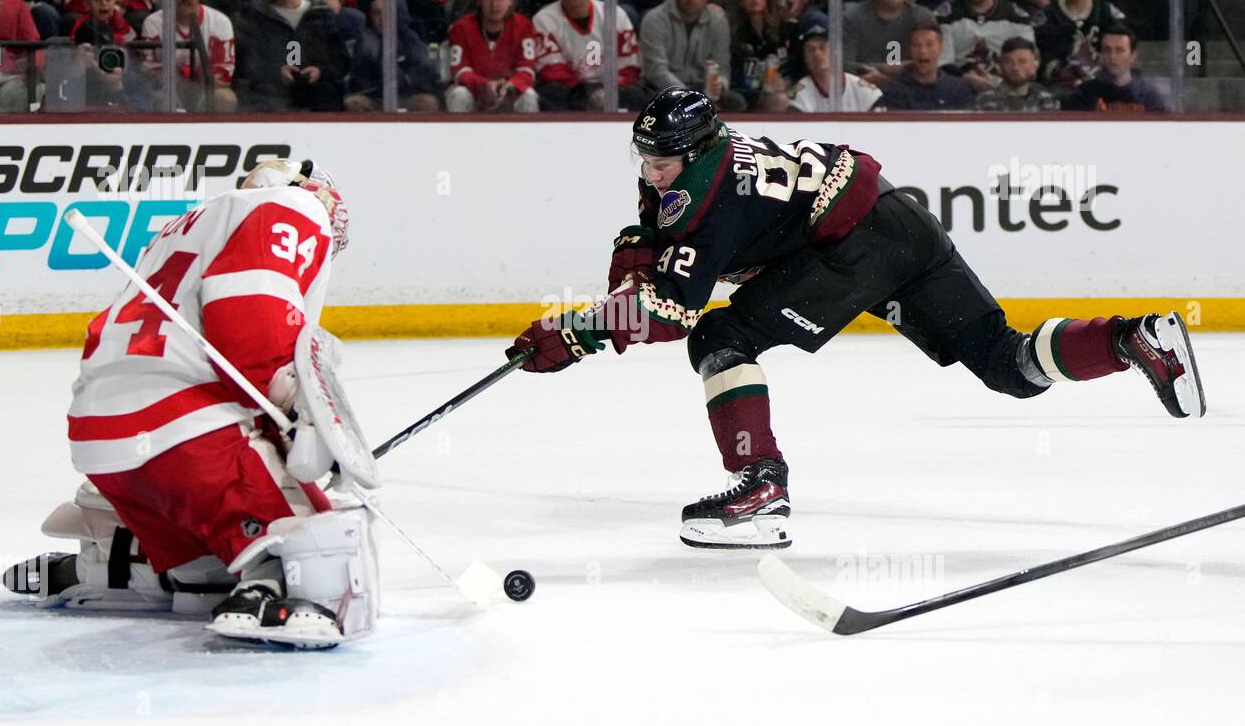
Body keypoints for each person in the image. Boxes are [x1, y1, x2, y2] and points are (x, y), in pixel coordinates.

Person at [505, 86, 1206, 548]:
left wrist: (574, 332)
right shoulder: (706, 161)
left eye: (663, 162)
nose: (653, 172)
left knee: (723, 334)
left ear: (694, 153)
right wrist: (634, 258)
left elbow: (668, 312)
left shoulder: (707, 193)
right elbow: (662, 241)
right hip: (899, 222)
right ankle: (1131, 340)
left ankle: (762, 488)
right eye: (645, 158)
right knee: (1007, 364)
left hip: (856, 249)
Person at [20, 158, 372, 648]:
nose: (334, 211)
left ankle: (136, 571)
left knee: (208, 576)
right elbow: (251, 324)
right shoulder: (288, 207)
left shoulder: (190, 225)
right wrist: (294, 420)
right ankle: (267, 587)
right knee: (320, 548)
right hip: (186, 434)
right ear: (303, 184)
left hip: (101, 441)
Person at [233, 0, 351, 111]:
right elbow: (246, 64)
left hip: (318, 91)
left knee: (328, 97)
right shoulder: (253, 17)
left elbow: (341, 60)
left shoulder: (320, 12)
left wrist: (320, 71)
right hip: (273, 93)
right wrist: (276, 72)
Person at [532, 0, 648, 111]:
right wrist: (585, 91)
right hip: (572, 88)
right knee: (553, 92)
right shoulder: (544, 19)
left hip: (613, 85)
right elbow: (552, 68)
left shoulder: (614, 13)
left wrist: (610, 88)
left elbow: (629, 65)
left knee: (636, 95)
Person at [639, 0, 743, 111]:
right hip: (663, 87)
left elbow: (722, 66)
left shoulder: (718, 21)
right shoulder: (655, 19)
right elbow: (656, 70)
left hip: (703, 87)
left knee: (736, 102)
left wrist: (720, 84)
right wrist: (687, 96)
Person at [140, 0, 238, 112]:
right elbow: (149, 73)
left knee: (225, 98)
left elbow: (223, 77)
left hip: (204, 90)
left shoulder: (220, 22)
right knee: (157, 99)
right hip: (168, 92)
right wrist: (187, 76)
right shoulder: (154, 23)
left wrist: (184, 76)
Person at [938, 0, 1034, 93]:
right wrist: (967, 78)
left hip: (1007, 88)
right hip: (958, 88)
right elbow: (941, 63)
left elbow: (1026, 63)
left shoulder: (1016, 17)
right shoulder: (947, 15)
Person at [444, 0, 539, 113]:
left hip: (508, 90)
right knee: (459, 94)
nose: (494, 4)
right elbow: (459, 70)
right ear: (478, 1)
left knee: (529, 96)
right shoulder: (461, 27)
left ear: (511, 1)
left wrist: (511, 85)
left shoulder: (523, 26)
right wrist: (484, 85)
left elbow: (527, 69)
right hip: (474, 90)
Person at [1035, 0, 1125, 89]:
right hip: (1059, 88)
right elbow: (1038, 60)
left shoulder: (1107, 13)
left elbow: (1122, 52)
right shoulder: (1047, 17)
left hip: (1104, 85)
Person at [345, 0, 443, 113]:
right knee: (354, 102)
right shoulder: (365, 42)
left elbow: (427, 77)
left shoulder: (412, 40)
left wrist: (404, 73)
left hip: (407, 98)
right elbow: (357, 81)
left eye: (387, 13)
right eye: (377, 13)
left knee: (427, 102)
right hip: (377, 100)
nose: (381, 18)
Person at [843, 0, 923, 85]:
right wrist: (885, 68)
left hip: (911, 91)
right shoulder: (852, 16)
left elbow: (934, 65)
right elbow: (843, 64)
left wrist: (887, 79)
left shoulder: (922, 17)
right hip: (862, 88)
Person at [1062, 23, 1166, 112]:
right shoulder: (1085, 94)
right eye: (1107, 50)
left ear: (1133, 56)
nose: (1113, 56)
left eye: (1120, 50)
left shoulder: (1149, 96)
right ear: (1101, 55)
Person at [788, 15, 882, 112]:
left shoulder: (864, 91)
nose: (817, 54)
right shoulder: (801, 93)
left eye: (823, 47)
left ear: (837, 50)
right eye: (810, 49)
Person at [728, 0, 795, 111]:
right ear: (740, 0)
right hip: (752, 96)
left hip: (789, 91)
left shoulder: (786, 28)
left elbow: (799, 68)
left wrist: (788, 84)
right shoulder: (735, 34)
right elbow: (735, 78)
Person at [876, 21, 976, 110]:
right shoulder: (895, 90)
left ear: (941, 47)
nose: (923, 51)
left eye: (929, 44)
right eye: (916, 45)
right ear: (909, 49)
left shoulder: (958, 89)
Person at [975, 37, 1059, 111]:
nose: (1015, 67)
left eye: (1022, 61)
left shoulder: (1047, 100)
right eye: (1008, 62)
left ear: (1035, 66)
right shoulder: (986, 100)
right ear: (1000, 65)